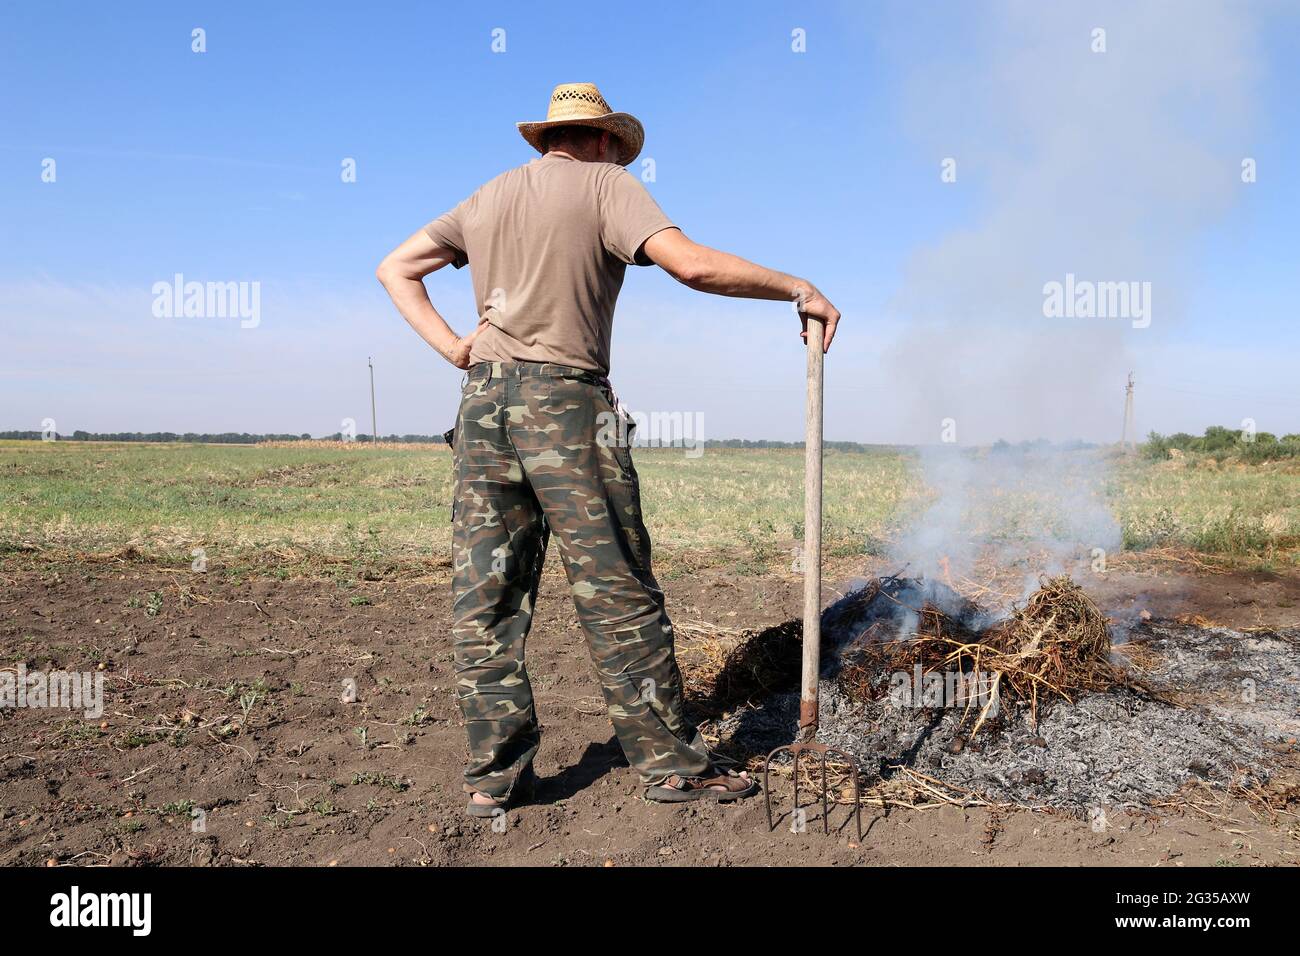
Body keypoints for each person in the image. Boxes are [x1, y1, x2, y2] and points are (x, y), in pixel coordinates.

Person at [377, 82, 841, 817]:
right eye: (615, 145)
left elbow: (395, 268)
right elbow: (691, 265)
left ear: (549, 138)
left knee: (486, 601)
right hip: (565, 405)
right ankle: (671, 767)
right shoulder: (608, 186)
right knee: (617, 590)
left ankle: (493, 779)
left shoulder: (488, 195)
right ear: (602, 140)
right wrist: (796, 287)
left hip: (483, 410)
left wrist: (456, 350)